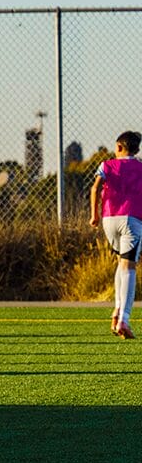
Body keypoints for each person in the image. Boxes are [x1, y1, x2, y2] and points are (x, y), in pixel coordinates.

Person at [88, 130, 142, 339]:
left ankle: (117, 310)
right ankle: (124, 320)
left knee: (121, 263)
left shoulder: (106, 165)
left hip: (109, 219)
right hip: (132, 219)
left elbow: (95, 189)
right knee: (129, 267)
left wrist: (94, 215)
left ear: (119, 147)